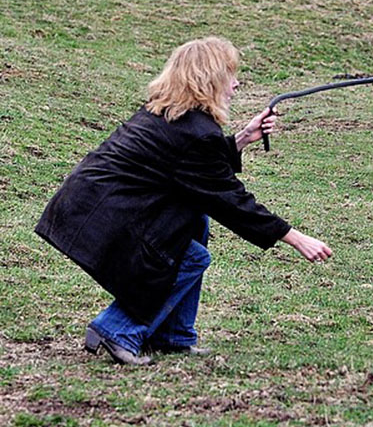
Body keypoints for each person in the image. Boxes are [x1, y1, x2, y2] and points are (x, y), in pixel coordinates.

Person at [35, 37, 332, 365]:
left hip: (92, 207)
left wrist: (244, 138)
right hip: (103, 216)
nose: (236, 84)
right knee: (189, 257)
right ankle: (116, 329)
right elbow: (228, 198)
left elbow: (195, 172)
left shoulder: (170, 114)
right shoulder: (194, 132)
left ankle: (172, 336)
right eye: (230, 75)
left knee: (195, 220)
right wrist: (294, 236)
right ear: (209, 79)